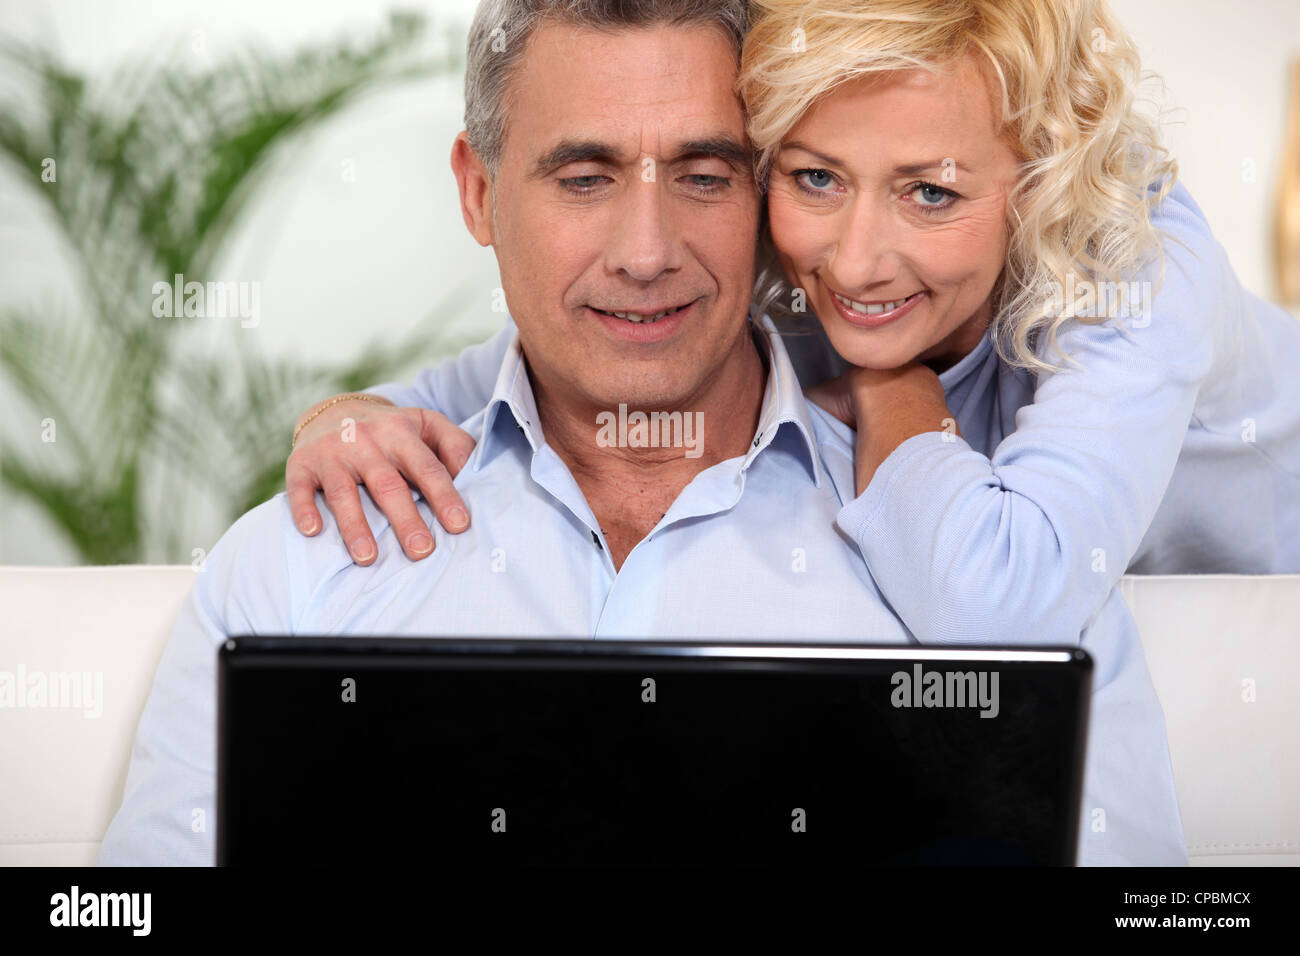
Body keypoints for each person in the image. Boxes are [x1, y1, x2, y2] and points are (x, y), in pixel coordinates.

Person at [98, 0, 1185, 866]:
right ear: (479, 194)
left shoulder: (1002, 576)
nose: (647, 249)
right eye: (585, 177)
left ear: (767, 193)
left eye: (705, 175)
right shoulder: (302, 566)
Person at [288, 0, 1300, 659]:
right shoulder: (781, 246)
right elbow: (553, 377)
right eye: (815, 175)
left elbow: (996, 606)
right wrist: (346, 415)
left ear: (1034, 181)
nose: (856, 262)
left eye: (932, 193)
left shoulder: (1129, 262)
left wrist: (887, 382)